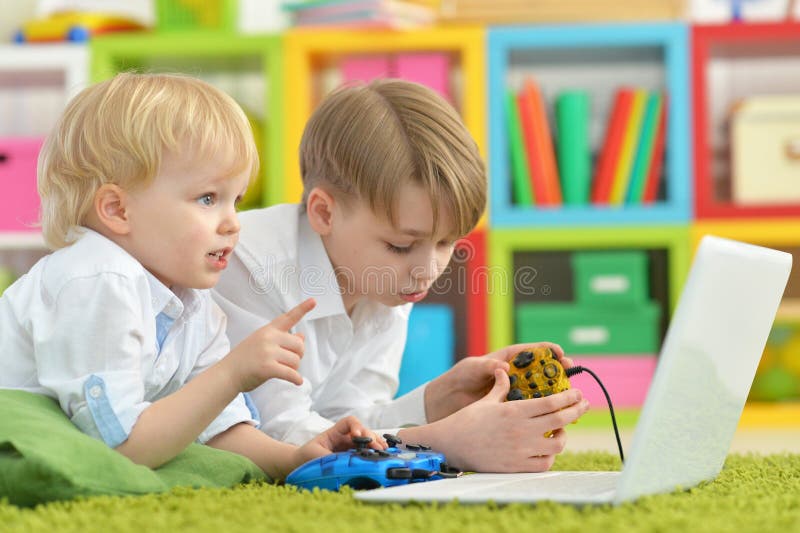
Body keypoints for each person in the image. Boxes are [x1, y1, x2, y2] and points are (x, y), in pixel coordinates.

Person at [0, 72, 384, 482]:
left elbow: (217, 427)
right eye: (207, 198)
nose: (233, 223)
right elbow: (121, 448)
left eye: (236, 200)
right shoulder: (98, 279)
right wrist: (233, 373)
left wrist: (298, 459)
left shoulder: (192, 302)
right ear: (117, 210)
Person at [212, 79, 589, 473]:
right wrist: (445, 442)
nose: (428, 271)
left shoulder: (383, 282)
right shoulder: (248, 264)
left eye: (446, 242)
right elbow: (280, 437)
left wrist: (439, 399)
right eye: (400, 246)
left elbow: (346, 418)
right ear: (324, 213)